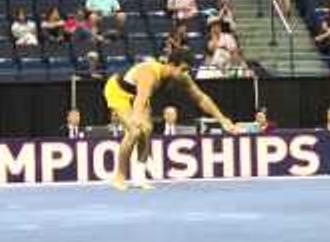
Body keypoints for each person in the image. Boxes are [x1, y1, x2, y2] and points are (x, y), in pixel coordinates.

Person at [103, 48, 240, 191]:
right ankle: (119, 177)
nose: (185, 74)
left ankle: (139, 178)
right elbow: (141, 99)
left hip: (138, 95)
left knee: (147, 129)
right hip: (118, 91)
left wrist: (223, 120)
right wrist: (136, 119)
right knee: (135, 132)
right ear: (172, 65)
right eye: (183, 69)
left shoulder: (182, 77)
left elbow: (201, 98)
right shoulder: (149, 73)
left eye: (187, 70)